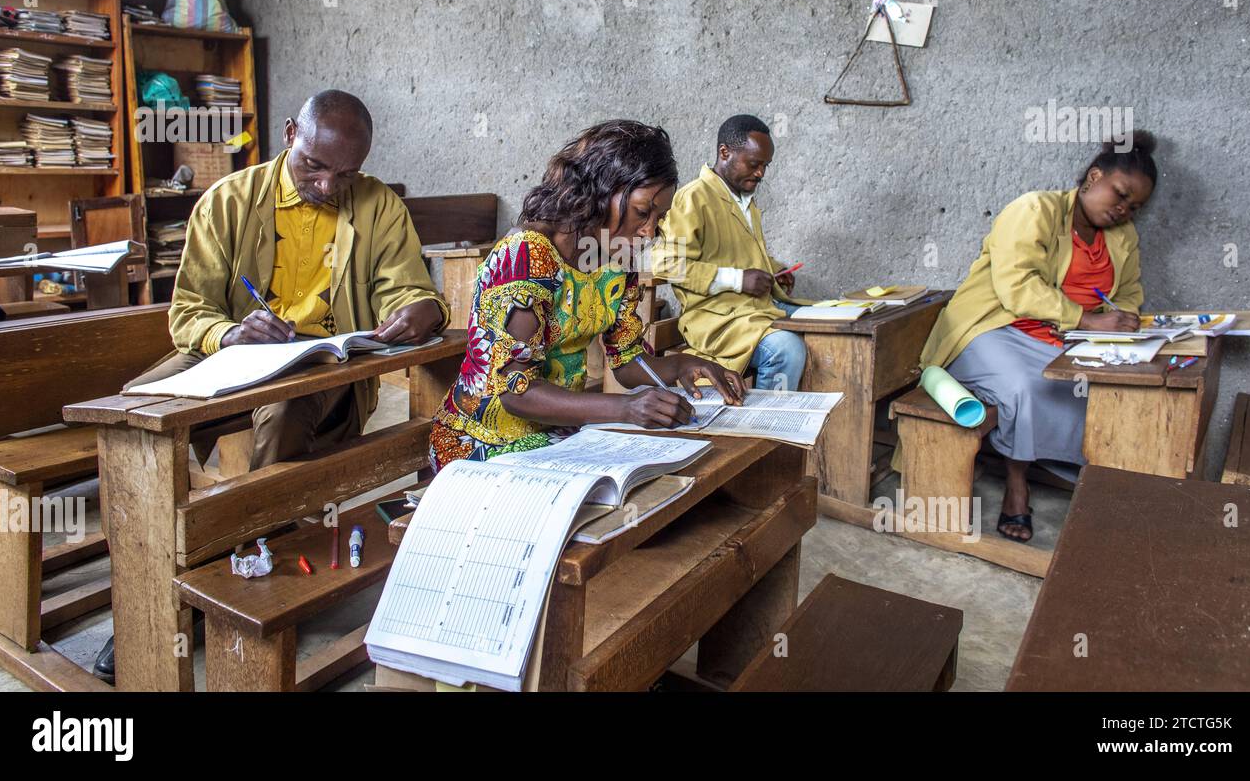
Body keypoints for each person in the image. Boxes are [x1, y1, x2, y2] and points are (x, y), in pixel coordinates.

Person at [95, 90, 447, 682]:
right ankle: (144, 593)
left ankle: (250, 575)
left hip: (323, 363)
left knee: (283, 418)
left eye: (347, 172)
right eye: (314, 164)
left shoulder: (377, 204)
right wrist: (233, 332)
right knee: (127, 416)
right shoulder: (228, 202)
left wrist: (421, 309)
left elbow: (408, 288)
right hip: (235, 355)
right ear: (289, 133)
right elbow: (187, 314)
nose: (328, 186)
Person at [429, 119, 746, 470]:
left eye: (659, 218)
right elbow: (518, 391)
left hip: (559, 435)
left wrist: (685, 363)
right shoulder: (527, 257)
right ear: (599, 192)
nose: (648, 230)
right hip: (484, 443)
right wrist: (626, 408)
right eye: (643, 212)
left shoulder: (615, 261)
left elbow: (627, 362)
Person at [917, 133, 1157, 542]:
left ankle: (1093, 482)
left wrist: (1123, 317)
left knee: (1103, 388)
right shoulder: (1035, 209)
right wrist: (1089, 320)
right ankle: (1016, 486)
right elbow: (1017, 287)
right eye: (1119, 195)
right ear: (1093, 176)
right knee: (1027, 388)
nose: (1122, 210)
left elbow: (1130, 291)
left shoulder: (1123, 236)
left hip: (1066, 338)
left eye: (1134, 207)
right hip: (992, 330)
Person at [652, 114, 807, 390]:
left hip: (754, 309)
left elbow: (736, 254)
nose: (761, 173)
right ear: (725, 152)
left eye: (765, 166)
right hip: (717, 319)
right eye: (754, 164)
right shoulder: (694, 197)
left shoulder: (744, 200)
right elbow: (666, 264)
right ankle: (767, 428)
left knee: (830, 322)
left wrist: (775, 269)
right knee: (786, 349)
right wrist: (738, 280)